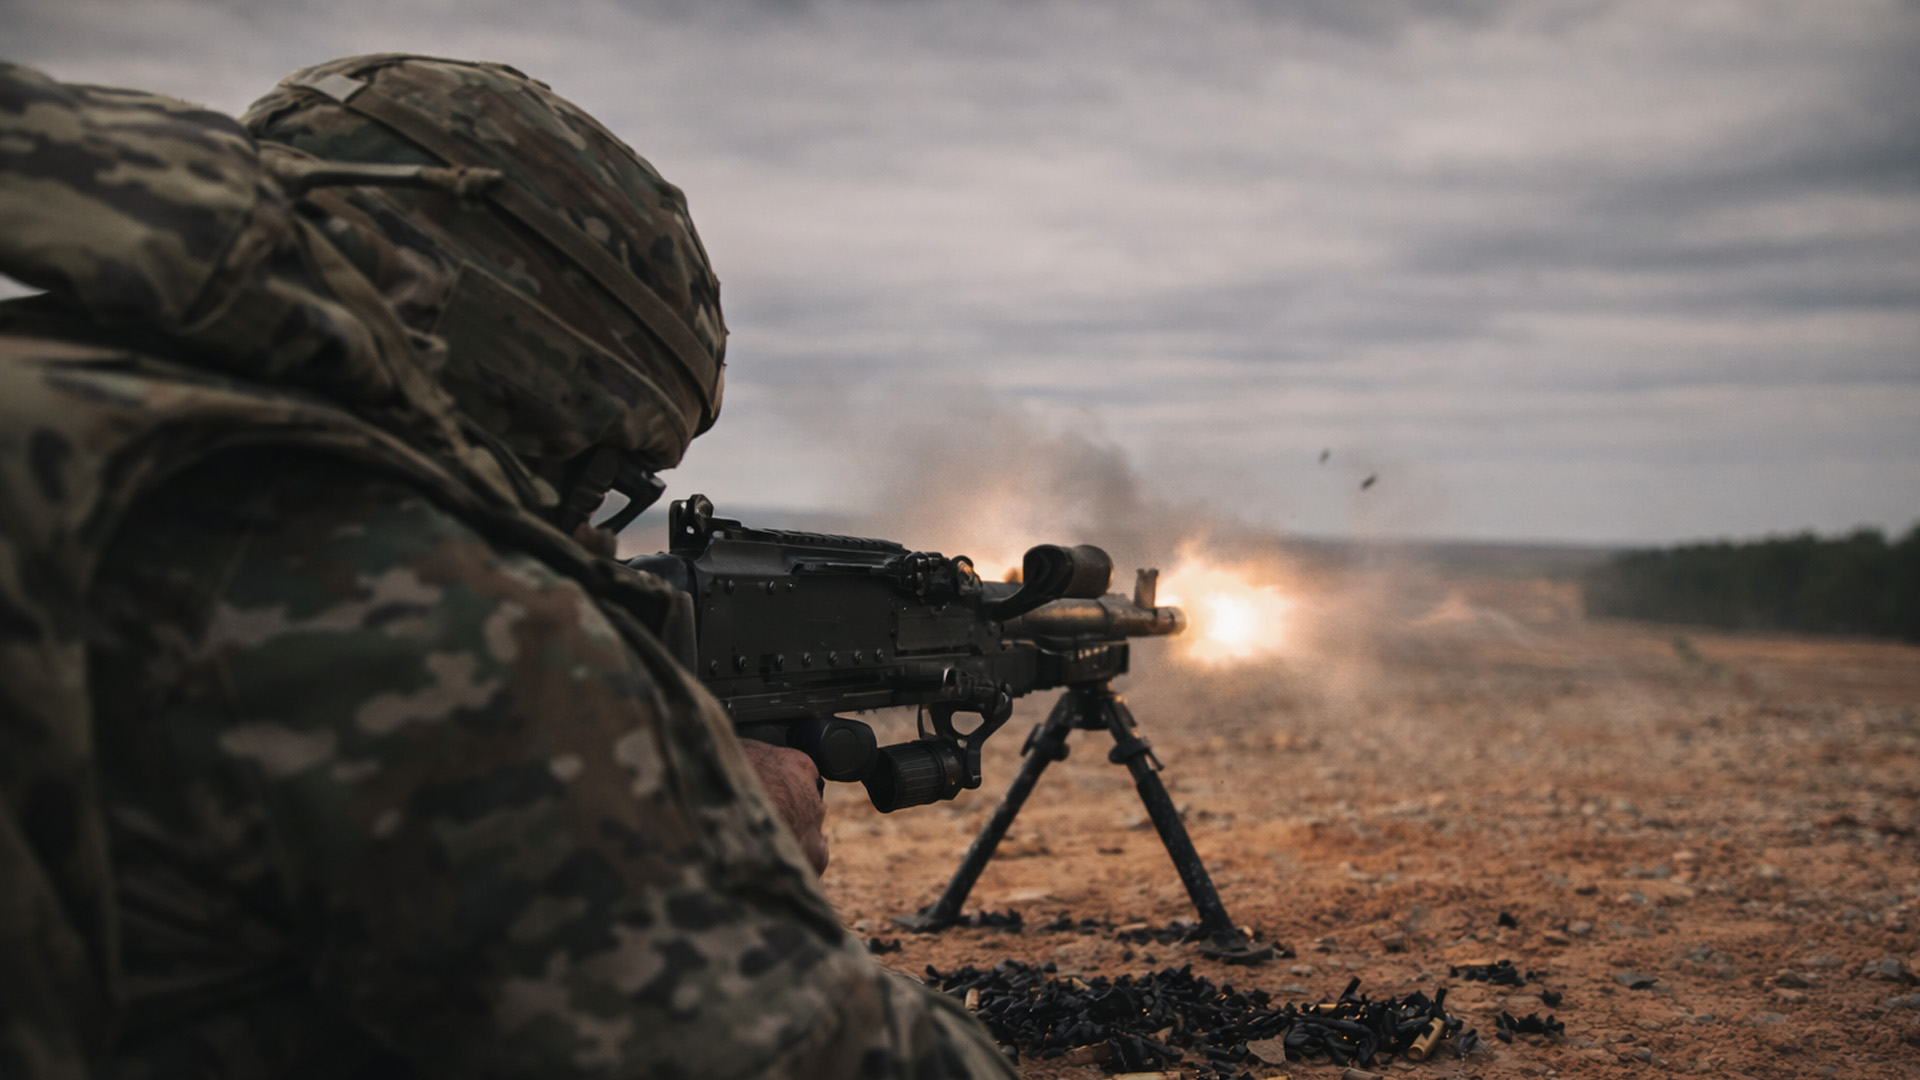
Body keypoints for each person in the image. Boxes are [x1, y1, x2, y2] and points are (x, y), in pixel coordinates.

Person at [0, 56, 1012, 1078]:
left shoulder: (66, 414)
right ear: (521, 386)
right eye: (602, 485)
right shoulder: (398, 601)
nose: (591, 532)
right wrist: (730, 847)